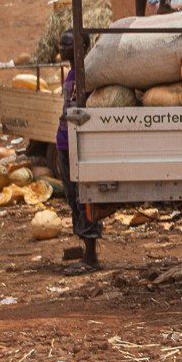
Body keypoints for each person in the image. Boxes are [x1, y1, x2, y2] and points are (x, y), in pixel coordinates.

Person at [55, 30, 102, 273]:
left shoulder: (87, 74)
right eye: (61, 43)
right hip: (64, 142)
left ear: (82, 46)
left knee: (84, 197)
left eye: (68, 44)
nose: (62, 47)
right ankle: (86, 250)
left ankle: (91, 255)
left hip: (77, 144)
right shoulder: (72, 74)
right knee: (74, 198)